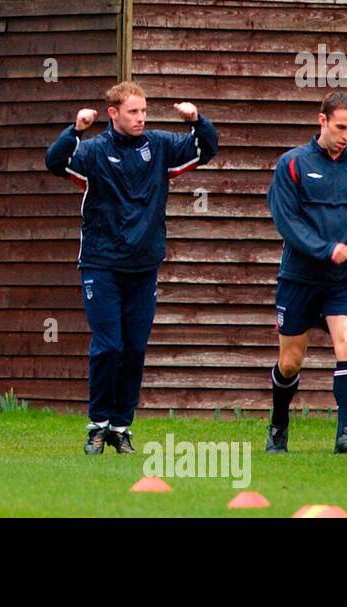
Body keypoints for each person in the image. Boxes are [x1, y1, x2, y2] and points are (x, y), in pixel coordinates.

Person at [45, 82, 218, 455]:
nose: (140, 118)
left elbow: (206, 149)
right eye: (133, 112)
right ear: (114, 113)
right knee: (109, 346)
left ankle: (121, 427)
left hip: (144, 264)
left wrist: (196, 120)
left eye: (143, 111)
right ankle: (98, 425)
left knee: (135, 348)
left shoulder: (159, 146)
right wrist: (75, 130)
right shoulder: (94, 151)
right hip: (102, 263)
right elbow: (54, 162)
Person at [265, 90, 347, 455]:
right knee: (290, 362)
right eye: (340, 127)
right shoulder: (292, 164)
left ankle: (345, 433)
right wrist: (326, 249)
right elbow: (286, 221)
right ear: (322, 121)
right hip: (299, 279)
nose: (346, 136)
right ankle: (278, 424)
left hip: (345, 281)